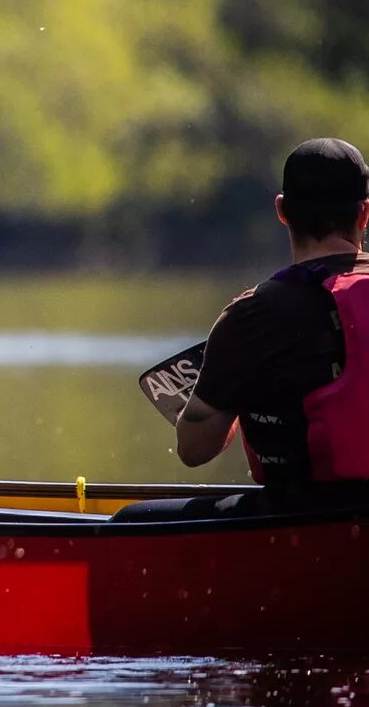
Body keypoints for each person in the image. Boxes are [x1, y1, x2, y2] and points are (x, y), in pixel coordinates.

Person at [143, 139, 369, 516]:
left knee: (133, 520)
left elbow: (194, 449)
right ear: (364, 214)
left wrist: (232, 394)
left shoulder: (252, 317)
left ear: (282, 211)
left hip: (303, 523)